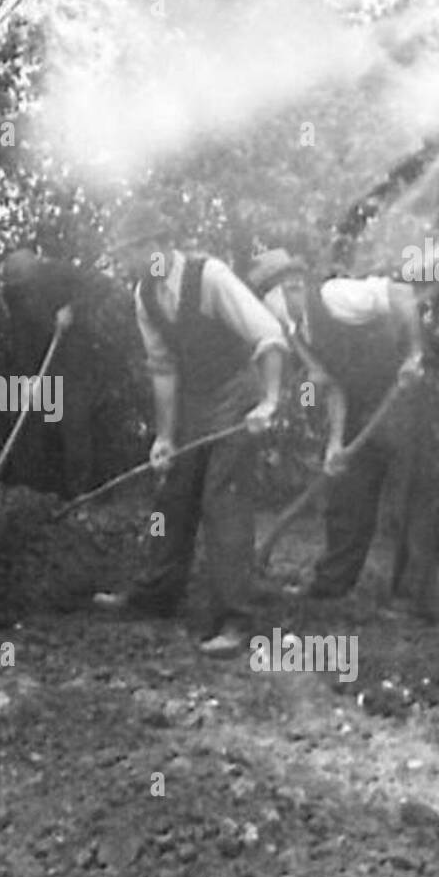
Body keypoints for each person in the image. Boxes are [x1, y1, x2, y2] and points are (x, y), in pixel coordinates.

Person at [92, 200, 286, 656]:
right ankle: (158, 593)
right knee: (173, 495)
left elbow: (268, 334)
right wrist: (164, 436)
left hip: (237, 394)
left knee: (224, 500)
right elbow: (163, 370)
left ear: (158, 245)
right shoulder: (145, 296)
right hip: (195, 401)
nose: (126, 263)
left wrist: (271, 400)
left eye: (130, 252)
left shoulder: (210, 276)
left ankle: (236, 619)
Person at [247, 248, 439, 617]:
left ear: (291, 287)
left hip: (404, 395)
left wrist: (415, 354)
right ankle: (332, 586)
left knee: (412, 495)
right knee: (347, 495)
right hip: (359, 407)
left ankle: (411, 599)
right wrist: (335, 444)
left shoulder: (335, 296)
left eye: (266, 296)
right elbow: (333, 387)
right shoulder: (296, 334)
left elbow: (401, 294)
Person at [0, 248, 110, 497]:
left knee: (75, 423)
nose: (22, 291)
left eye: (25, 284)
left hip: (72, 358)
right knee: (28, 422)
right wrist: (27, 378)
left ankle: (79, 495)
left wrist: (73, 309)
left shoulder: (58, 271)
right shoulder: (12, 294)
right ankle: (27, 493)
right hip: (39, 361)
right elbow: (21, 337)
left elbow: (100, 284)